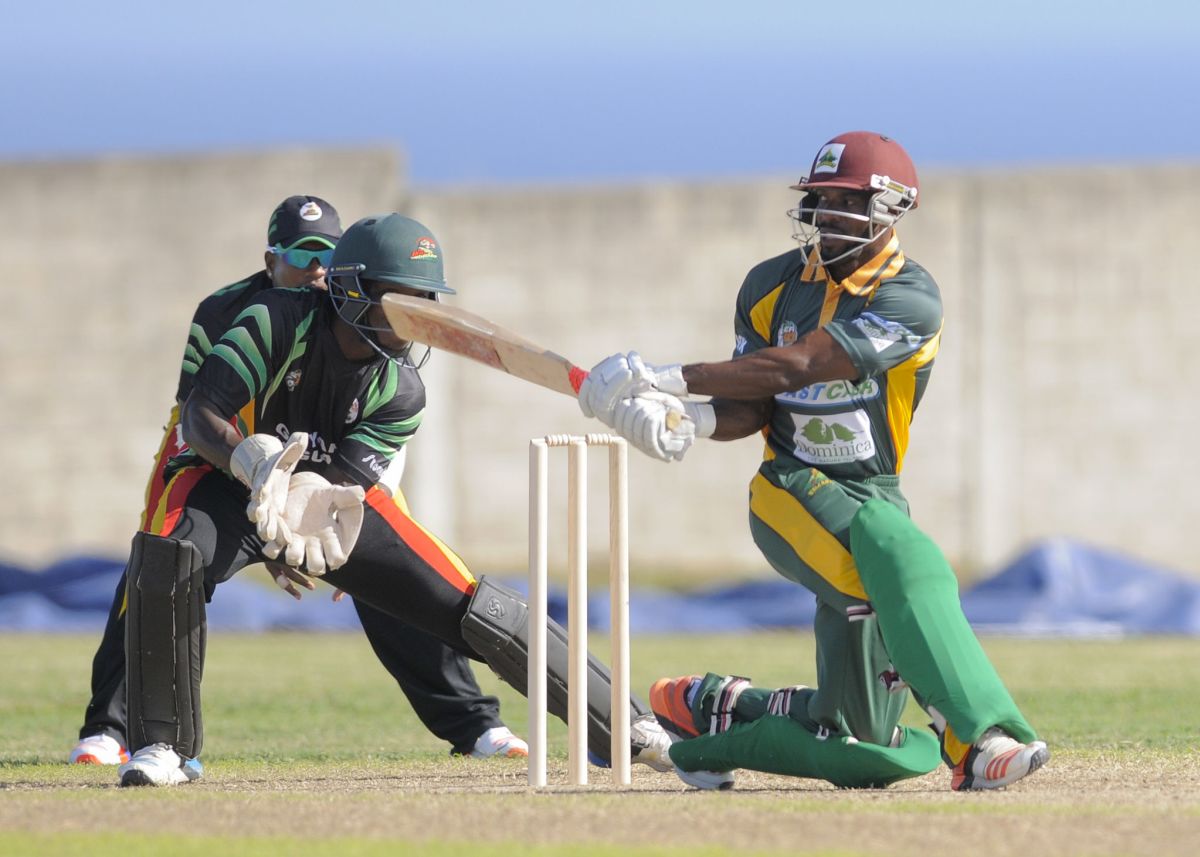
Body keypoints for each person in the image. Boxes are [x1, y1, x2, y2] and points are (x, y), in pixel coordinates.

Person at [115, 211, 683, 787]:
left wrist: (294, 520)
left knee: (473, 604)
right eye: (401, 298)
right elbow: (201, 413)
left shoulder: (403, 392)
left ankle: (628, 726)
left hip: (325, 497)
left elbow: (341, 486)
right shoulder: (274, 319)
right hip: (224, 477)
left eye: (426, 300)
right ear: (350, 289)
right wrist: (249, 460)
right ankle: (162, 747)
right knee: (168, 557)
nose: (418, 318)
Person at [577, 131, 1050, 792]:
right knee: (907, 564)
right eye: (822, 199)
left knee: (871, 746)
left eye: (847, 201)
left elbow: (802, 363)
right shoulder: (769, 285)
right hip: (790, 487)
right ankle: (981, 739)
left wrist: (666, 378)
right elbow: (752, 405)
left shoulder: (910, 296)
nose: (829, 214)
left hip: (874, 490)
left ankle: (718, 716)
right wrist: (688, 422)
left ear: (893, 207)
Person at [71, 196, 525, 774]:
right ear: (271, 260)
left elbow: (385, 434)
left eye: (327, 257)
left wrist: (329, 530)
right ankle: (109, 727)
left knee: (391, 571)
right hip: (224, 449)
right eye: (302, 255)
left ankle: (474, 722)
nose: (316, 270)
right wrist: (268, 526)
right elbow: (201, 413)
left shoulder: (361, 327)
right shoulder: (228, 310)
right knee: (160, 560)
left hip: (325, 453)